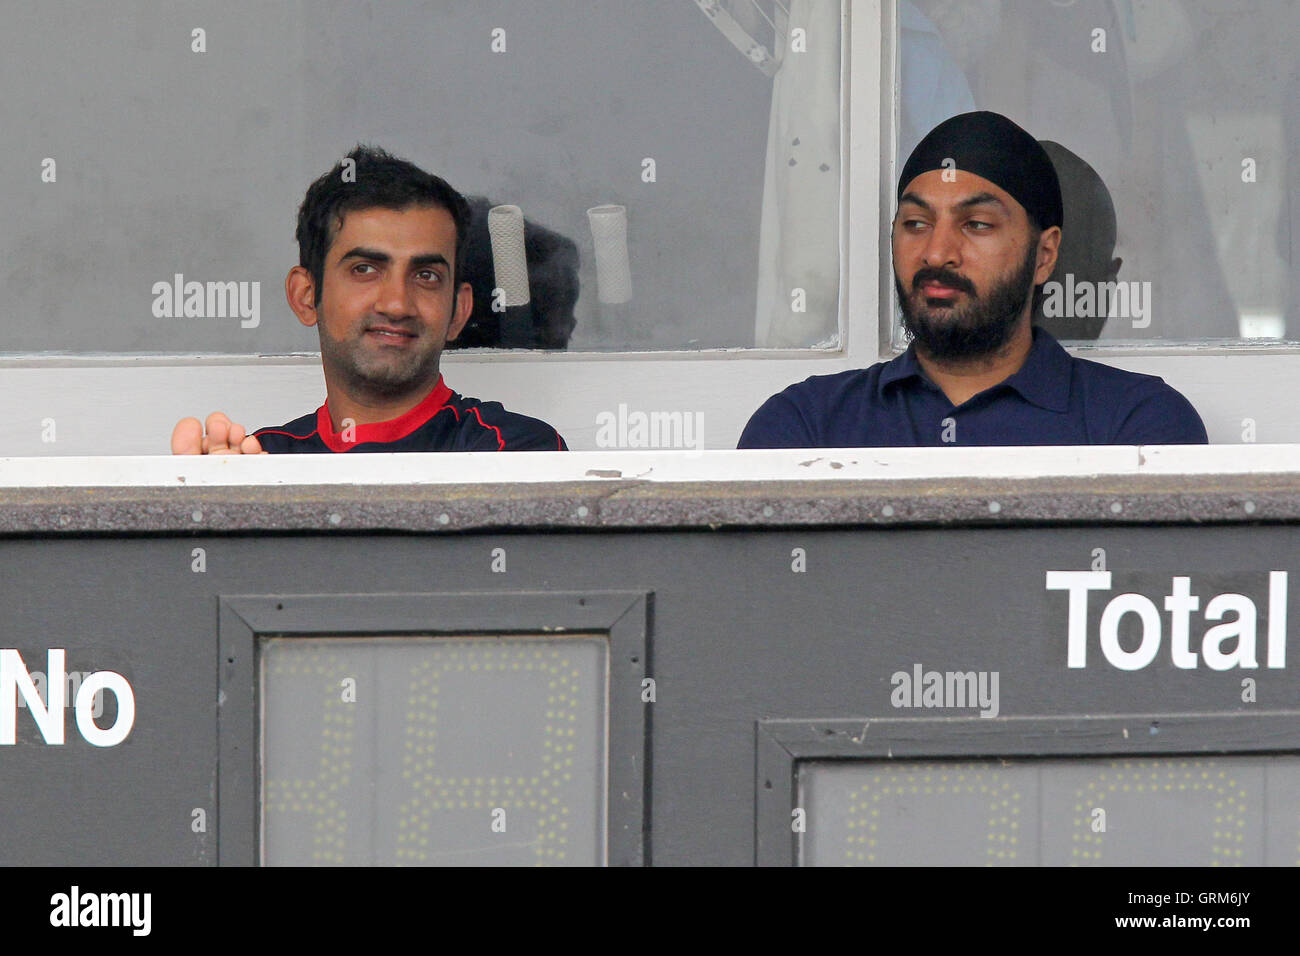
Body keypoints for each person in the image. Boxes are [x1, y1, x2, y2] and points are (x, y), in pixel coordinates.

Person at [738, 111, 1208, 448]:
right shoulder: (808, 426)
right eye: (916, 224)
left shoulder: (1135, 425)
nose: (937, 252)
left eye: (976, 224)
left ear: (1044, 255)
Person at [171, 146, 567, 454]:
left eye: (426, 276)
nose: (396, 304)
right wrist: (213, 514)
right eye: (365, 269)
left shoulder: (515, 452)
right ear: (306, 296)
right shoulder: (264, 462)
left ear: (458, 312)